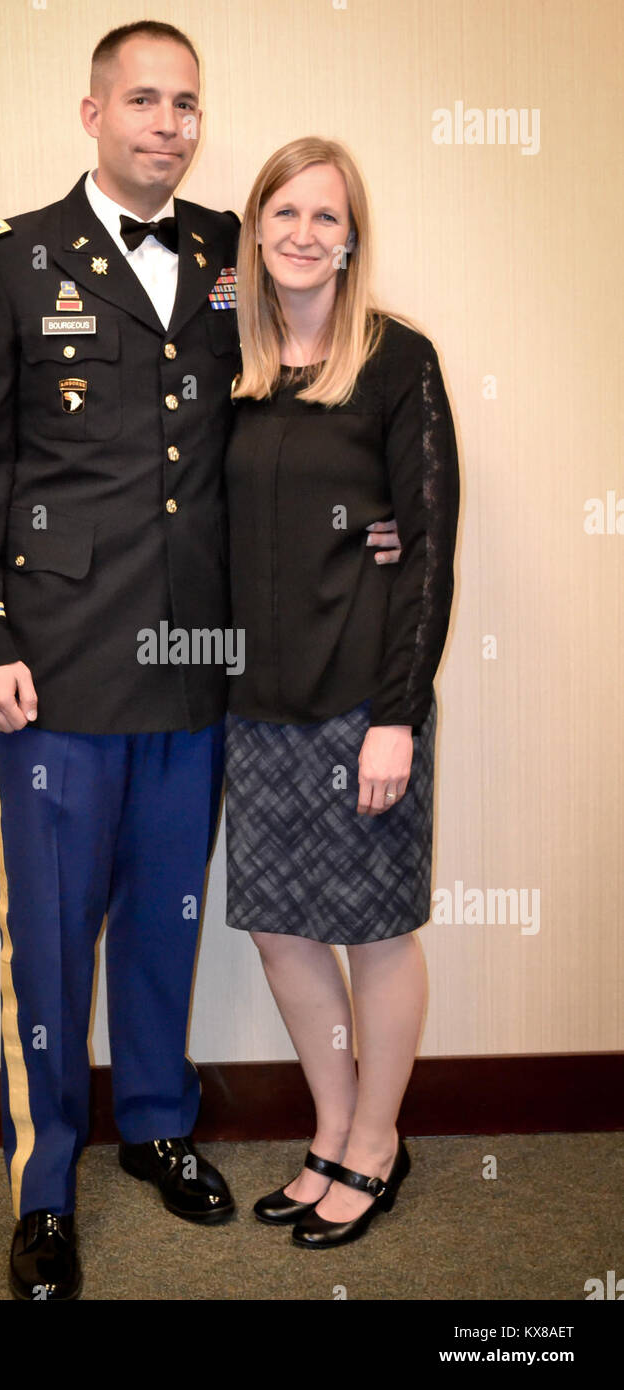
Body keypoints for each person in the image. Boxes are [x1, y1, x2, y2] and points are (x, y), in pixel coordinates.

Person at [0, 23, 400, 1299]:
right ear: (91, 114)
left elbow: (294, 395)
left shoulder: (224, 260)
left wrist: (369, 521)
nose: (168, 124)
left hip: (197, 661)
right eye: (143, 100)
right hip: (56, 666)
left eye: (187, 105)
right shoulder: (10, 259)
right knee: (50, 934)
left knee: (163, 922)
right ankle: (43, 1184)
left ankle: (152, 1121)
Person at [223, 136, 460, 1248]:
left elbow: (420, 547)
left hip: (364, 704)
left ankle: (376, 1142)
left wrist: (397, 716)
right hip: (255, 704)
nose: (304, 234)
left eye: (326, 216)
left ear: (350, 236)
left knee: (372, 933)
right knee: (278, 928)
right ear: (256, 229)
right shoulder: (235, 372)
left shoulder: (397, 360)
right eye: (285, 213)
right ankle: (329, 1130)